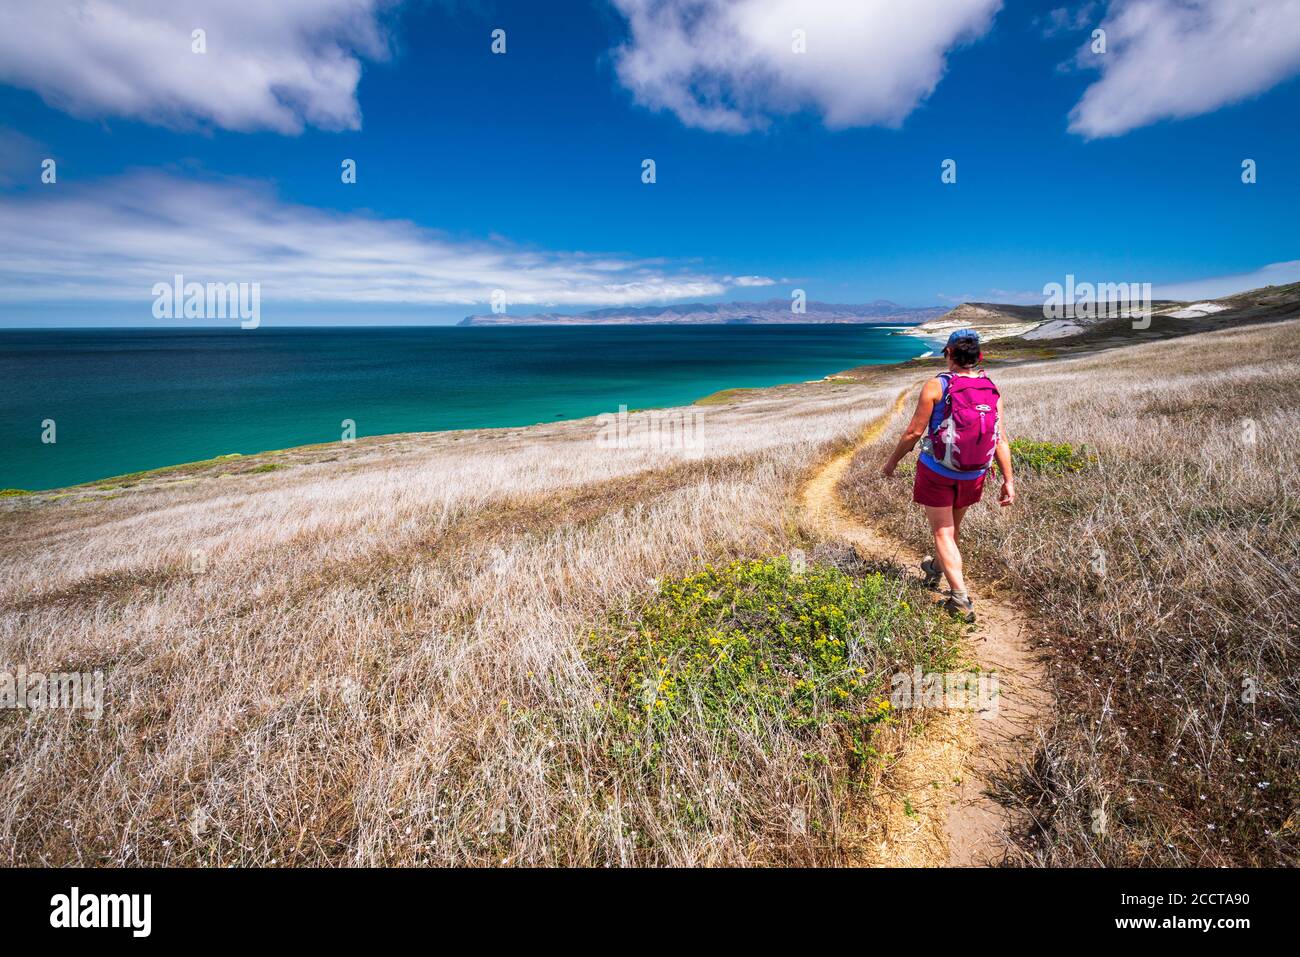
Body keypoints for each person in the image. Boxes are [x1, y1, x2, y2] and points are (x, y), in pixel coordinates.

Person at [880, 329, 1014, 622]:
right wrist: (1008, 480)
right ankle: (935, 569)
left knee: (943, 532)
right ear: (978, 357)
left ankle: (959, 598)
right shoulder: (991, 389)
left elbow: (914, 432)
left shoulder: (936, 385)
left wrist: (891, 462)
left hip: (938, 470)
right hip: (974, 473)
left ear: (949, 354)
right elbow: (1000, 439)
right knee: (951, 530)